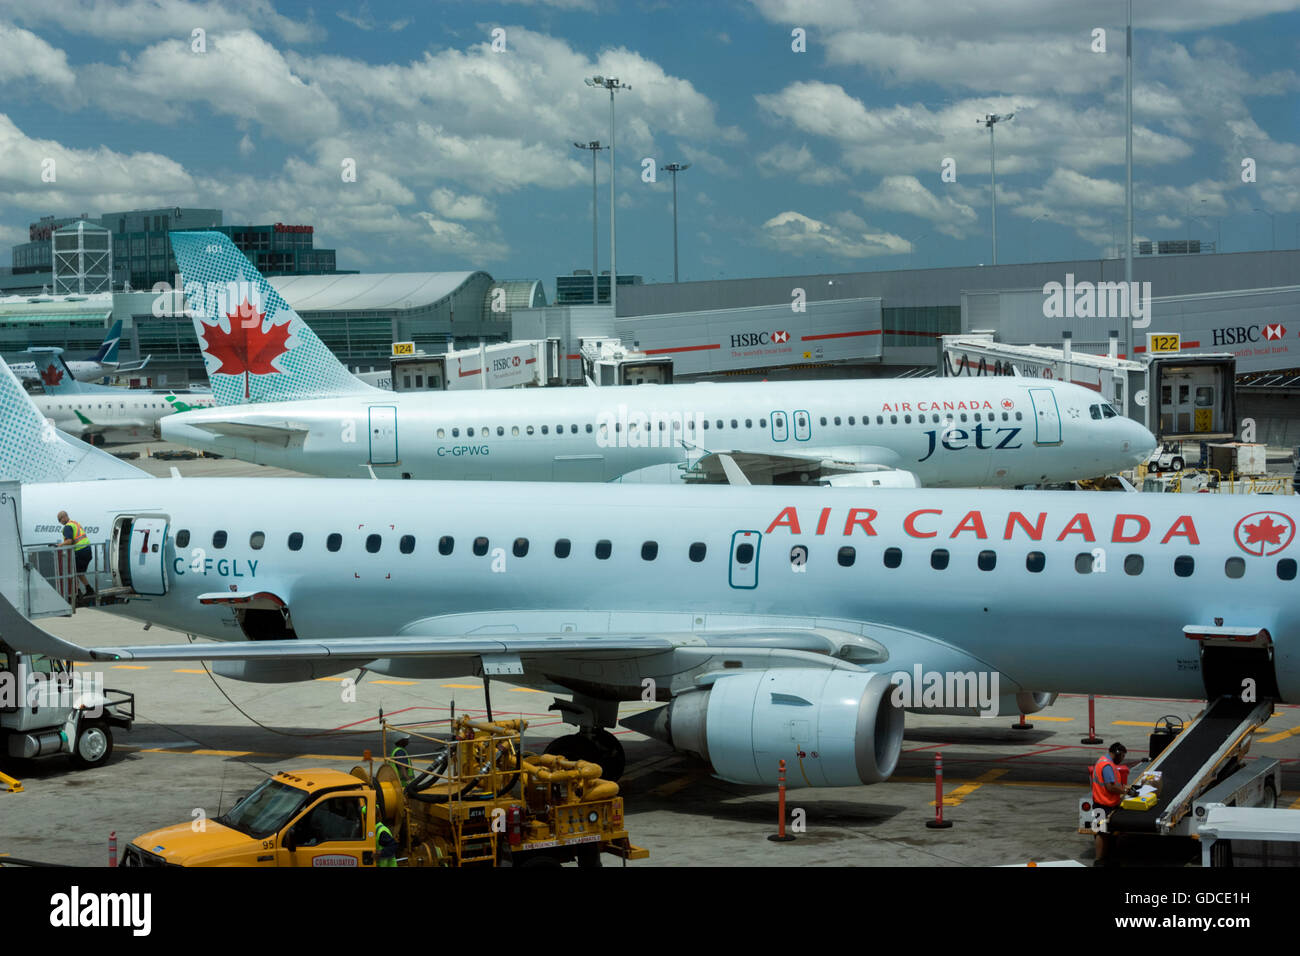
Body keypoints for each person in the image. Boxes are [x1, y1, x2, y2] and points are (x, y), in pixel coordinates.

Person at [1091, 742, 1129, 865]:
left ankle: (1104, 858)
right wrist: (1125, 791)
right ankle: (1099, 860)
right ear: (1117, 753)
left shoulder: (1102, 761)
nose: (1122, 759)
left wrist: (1122, 787)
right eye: (1122, 756)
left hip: (1100, 802)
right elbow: (1110, 787)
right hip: (1104, 804)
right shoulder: (1107, 766)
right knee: (1102, 833)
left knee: (1104, 832)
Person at [55, 510, 94, 602]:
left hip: (80, 551)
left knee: (72, 571)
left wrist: (59, 545)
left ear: (63, 518)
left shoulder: (68, 527)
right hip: (87, 550)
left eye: (59, 520)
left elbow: (69, 541)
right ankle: (86, 589)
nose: (60, 522)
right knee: (78, 572)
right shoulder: (75, 523)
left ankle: (79, 592)